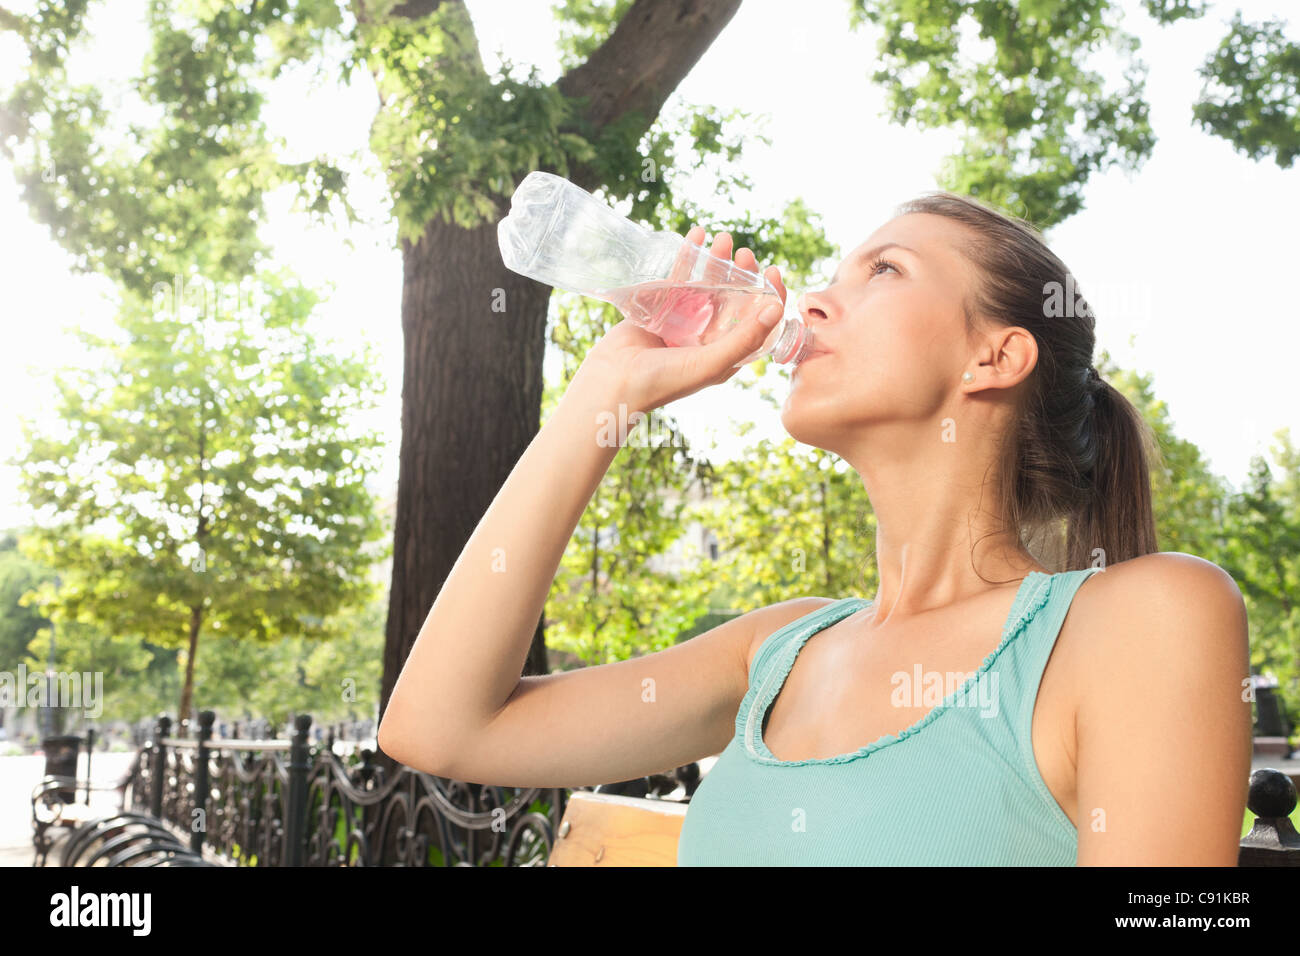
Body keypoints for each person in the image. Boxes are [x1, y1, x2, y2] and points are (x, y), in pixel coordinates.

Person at [378, 192, 1251, 865]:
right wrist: (607, 392)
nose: (817, 303)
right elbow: (439, 727)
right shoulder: (777, 649)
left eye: (884, 271)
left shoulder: (1142, 615)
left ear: (995, 356)